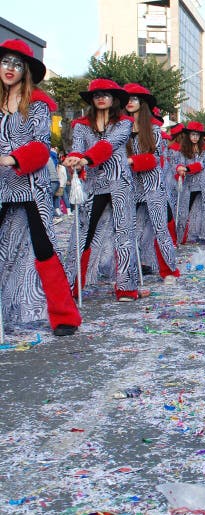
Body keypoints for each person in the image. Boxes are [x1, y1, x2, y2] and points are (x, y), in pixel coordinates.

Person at [0, 38, 81, 336]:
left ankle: (64, 317)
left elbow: (41, 145)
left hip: (31, 186)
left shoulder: (37, 105)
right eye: (5, 62)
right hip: (2, 187)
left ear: (26, 71)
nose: (9, 68)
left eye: (17, 64)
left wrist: (11, 158)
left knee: (44, 248)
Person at [64, 78, 139, 302]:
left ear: (114, 99)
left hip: (120, 183)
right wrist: (74, 158)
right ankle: (71, 285)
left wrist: (86, 158)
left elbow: (109, 145)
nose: (101, 98)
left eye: (106, 94)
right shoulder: (80, 125)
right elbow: (77, 147)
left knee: (124, 233)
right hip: (93, 184)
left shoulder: (124, 123)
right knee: (82, 233)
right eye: (97, 95)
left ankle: (126, 287)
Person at [122, 83, 180, 284]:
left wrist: (131, 161)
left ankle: (169, 269)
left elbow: (154, 158)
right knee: (129, 229)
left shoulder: (154, 129)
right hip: (130, 186)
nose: (130, 102)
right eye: (127, 99)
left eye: (134, 99)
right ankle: (130, 269)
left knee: (160, 228)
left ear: (143, 103)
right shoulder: (121, 129)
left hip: (152, 185)